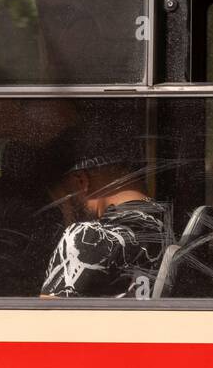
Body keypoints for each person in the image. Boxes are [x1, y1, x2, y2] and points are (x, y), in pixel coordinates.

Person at [38, 126, 171, 299]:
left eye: (61, 200)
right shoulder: (168, 225)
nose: (62, 211)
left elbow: (46, 321)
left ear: (81, 181)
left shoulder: (89, 237)